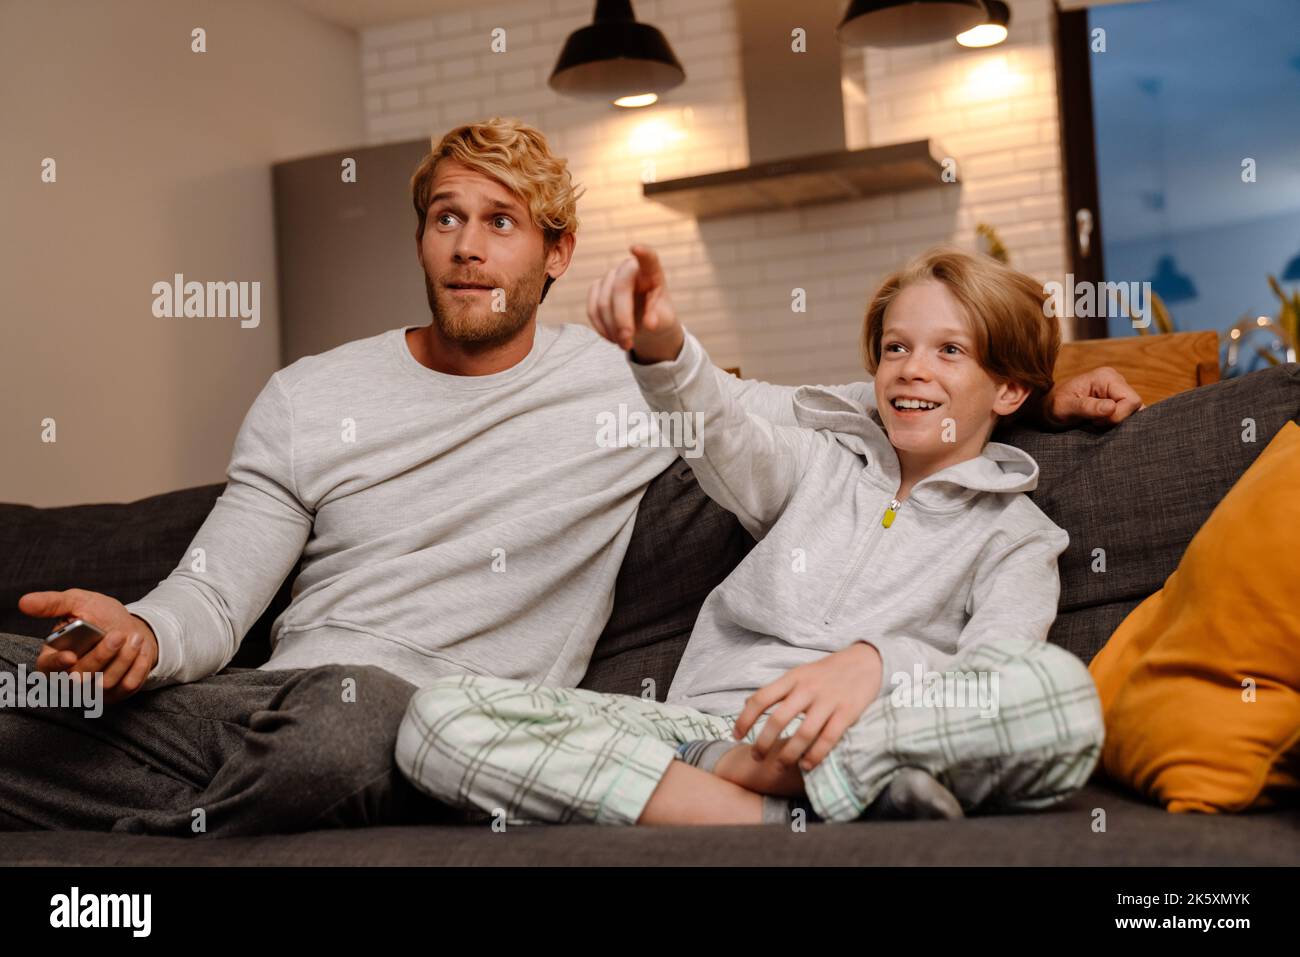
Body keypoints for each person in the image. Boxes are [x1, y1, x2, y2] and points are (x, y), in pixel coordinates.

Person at [3, 117, 1137, 837]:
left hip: (372, 730)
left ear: (554, 254)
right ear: (419, 240)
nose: (466, 244)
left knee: (370, 731)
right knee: (30, 694)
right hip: (267, 699)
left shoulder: (626, 383)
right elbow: (216, 592)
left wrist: (1065, 378)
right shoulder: (308, 394)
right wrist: (142, 636)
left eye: (499, 222)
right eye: (445, 218)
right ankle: (129, 764)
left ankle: (129, 793)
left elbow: (835, 405)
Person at [395, 246, 1106, 826]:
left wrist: (878, 663)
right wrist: (663, 346)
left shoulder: (1016, 535)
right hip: (692, 734)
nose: (912, 367)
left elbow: (994, 672)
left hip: (863, 731)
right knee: (435, 720)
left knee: (1059, 699)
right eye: (896, 346)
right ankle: (781, 801)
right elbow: (719, 431)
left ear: (1010, 390)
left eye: (950, 350)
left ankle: (790, 785)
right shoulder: (815, 461)